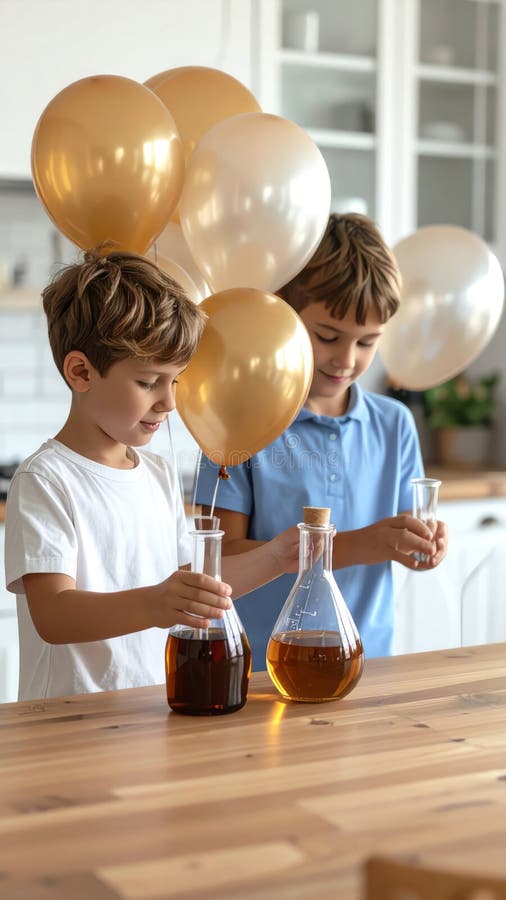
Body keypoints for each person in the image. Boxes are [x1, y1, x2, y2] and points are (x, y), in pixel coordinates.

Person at [4, 250, 299, 701]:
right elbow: (53, 615)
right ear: (81, 372)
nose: (169, 402)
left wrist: (279, 557)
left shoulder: (156, 473)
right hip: (66, 731)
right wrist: (155, 603)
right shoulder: (46, 480)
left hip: (149, 716)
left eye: (175, 381)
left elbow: (188, 582)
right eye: (148, 382)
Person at [196, 213, 448, 670]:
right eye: (327, 336)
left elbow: (398, 542)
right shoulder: (238, 420)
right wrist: (361, 545)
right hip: (258, 674)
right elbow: (219, 561)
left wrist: (419, 546)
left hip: (366, 666)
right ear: (282, 315)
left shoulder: (394, 425)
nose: (347, 360)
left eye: (368, 342)